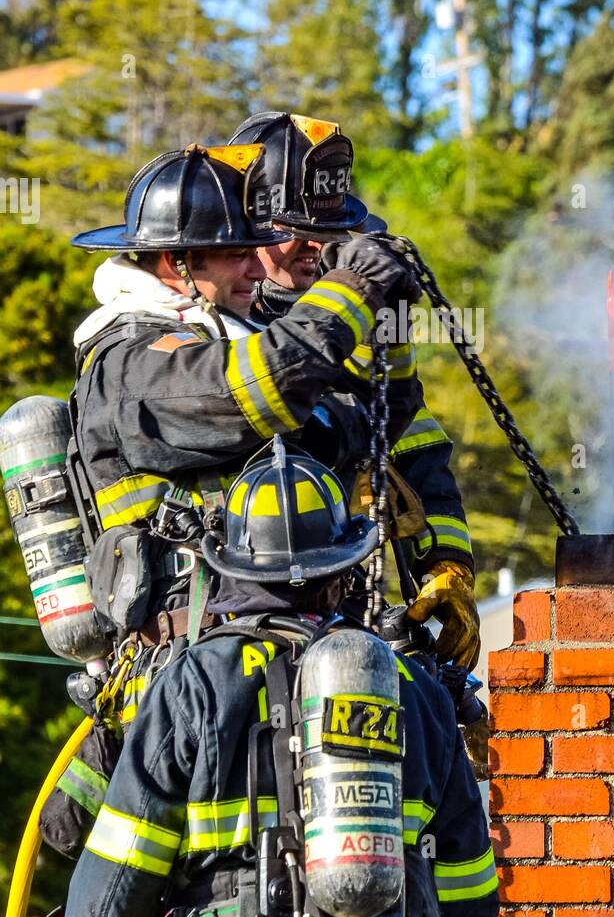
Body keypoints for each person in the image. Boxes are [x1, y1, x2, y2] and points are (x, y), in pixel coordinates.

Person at [51, 445, 498, 917]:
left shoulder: (195, 682)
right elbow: (469, 892)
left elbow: (120, 874)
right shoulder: (417, 689)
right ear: (342, 572)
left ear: (233, 570)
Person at [67, 140, 421, 715]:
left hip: (291, 650)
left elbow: (365, 423)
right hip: (191, 678)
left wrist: (389, 318)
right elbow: (257, 390)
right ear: (176, 262)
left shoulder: (229, 339)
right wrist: (349, 287)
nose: (257, 269)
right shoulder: (131, 362)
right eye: (237, 255)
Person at [226, 112, 479, 674]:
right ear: (247, 226)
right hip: (242, 618)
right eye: (292, 229)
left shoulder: (357, 325)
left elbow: (416, 447)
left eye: (326, 230)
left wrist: (446, 564)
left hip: (349, 606)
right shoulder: (218, 334)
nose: (314, 246)